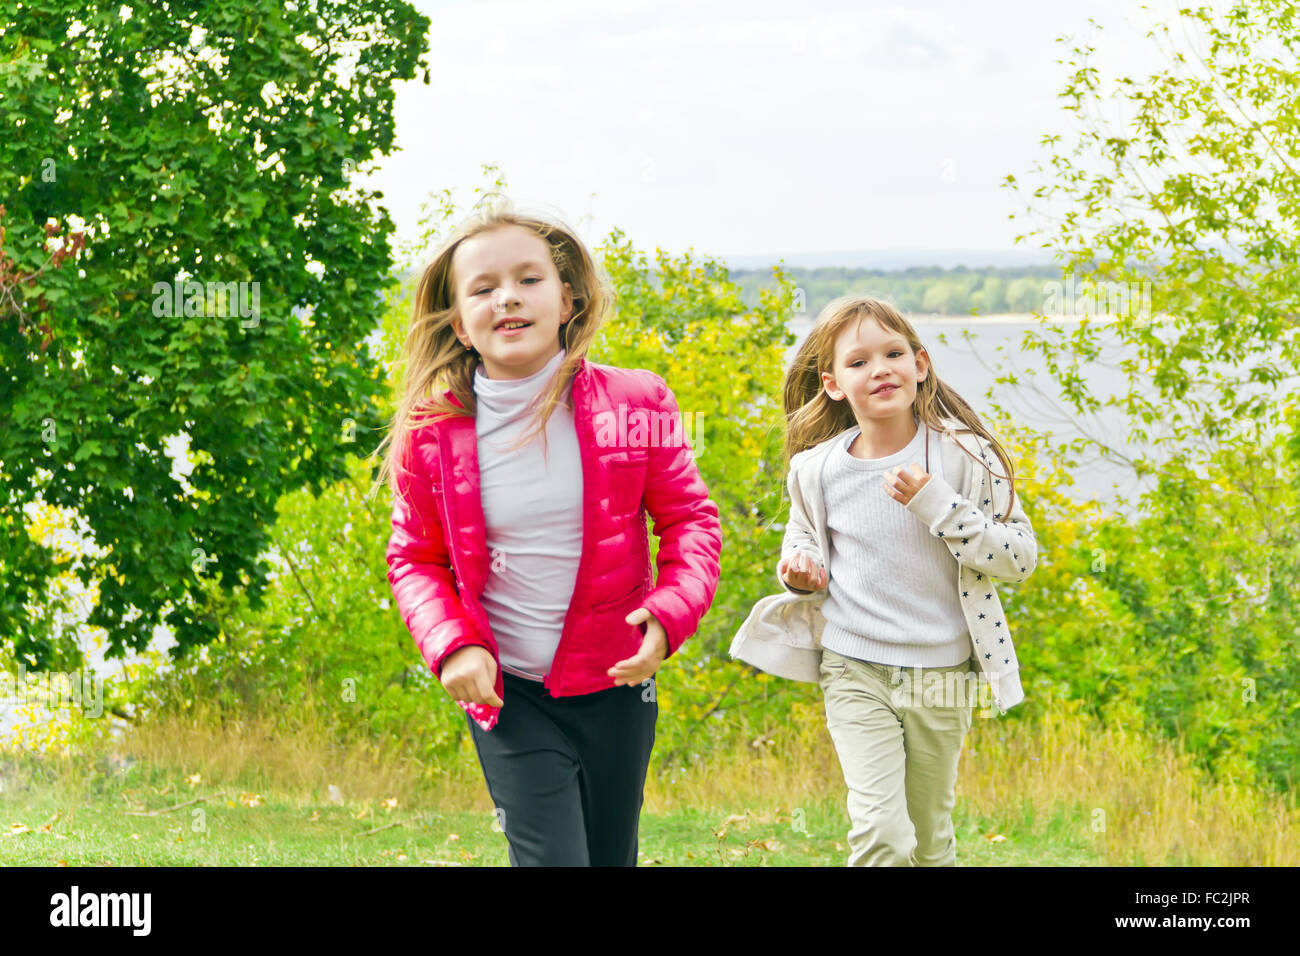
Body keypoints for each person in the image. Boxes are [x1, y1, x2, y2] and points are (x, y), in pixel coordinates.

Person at [375, 198, 722, 866]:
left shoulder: (638, 401)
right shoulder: (433, 431)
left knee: (607, 856)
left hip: (620, 688)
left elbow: (690, 522)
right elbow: (414, 558)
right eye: (483, 288)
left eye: (529, 280)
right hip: (508, 694)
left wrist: (669, 615)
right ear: (461, 324)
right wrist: (452, 648)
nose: (508, 298)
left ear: (567, 300)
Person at [730, 295, 1038, 866]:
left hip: (942, 676)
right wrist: (798, 571)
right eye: (858, 361)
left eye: (894, 353)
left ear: (920, 365)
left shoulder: (966, 457)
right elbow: (802, 541)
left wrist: (939, 506)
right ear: (832, 385)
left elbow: (1018, 559)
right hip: (853, 668)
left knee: (927, 841)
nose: (880, 369)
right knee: (882, 835)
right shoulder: (815, 468)